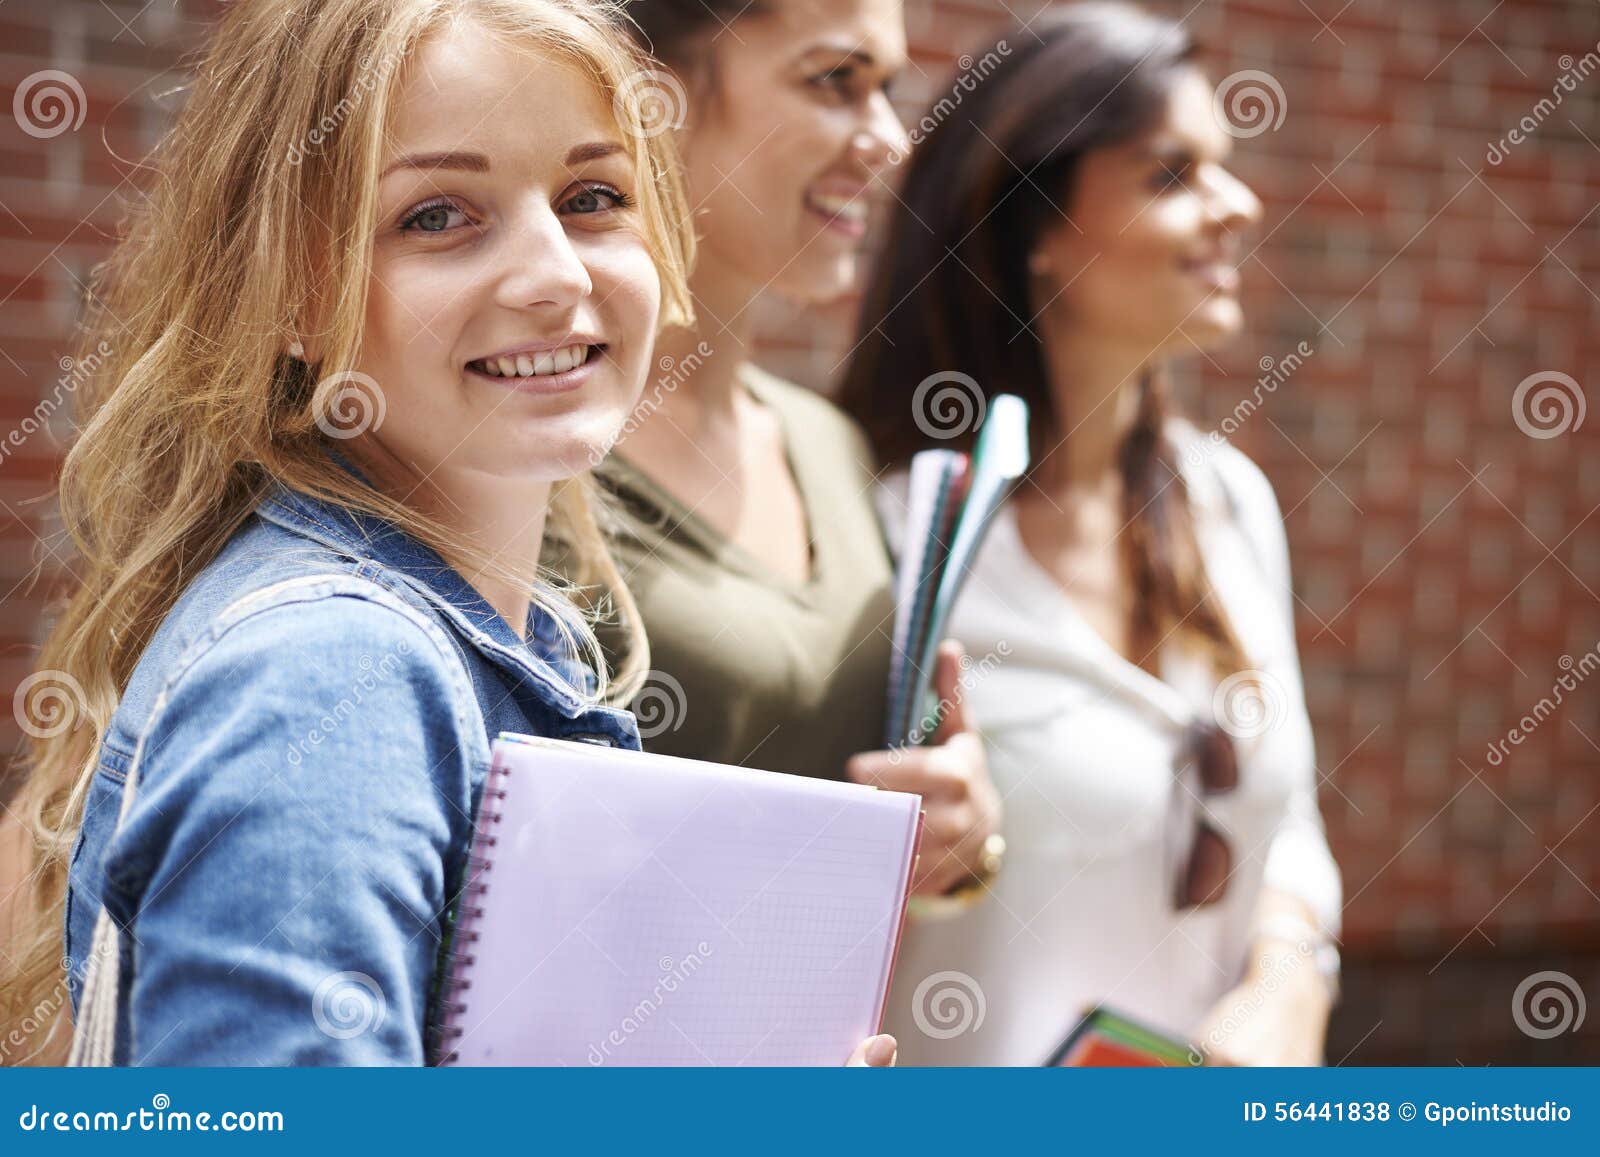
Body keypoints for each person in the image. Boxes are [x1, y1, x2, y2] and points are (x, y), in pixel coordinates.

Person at [1, 0, 895, 1069]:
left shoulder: (493, 639)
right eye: (438, 216)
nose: (557, 272)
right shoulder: (336, 677)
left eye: (593, 197)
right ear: (295, 287)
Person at [839, 3, 1343, 1065]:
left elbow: (1286, 813)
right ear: (1030, 231)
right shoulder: (883, 531)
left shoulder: (1229, 500)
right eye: (1172, 174)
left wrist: (1291, 970)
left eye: (1223, 163)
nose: (1237, 205)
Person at [565, 0, 1004, 900]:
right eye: (834, 80)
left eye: (887, 89)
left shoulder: (828, 444)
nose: (887, 140)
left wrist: (962, 839)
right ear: (654, 96)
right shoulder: (532, 441)